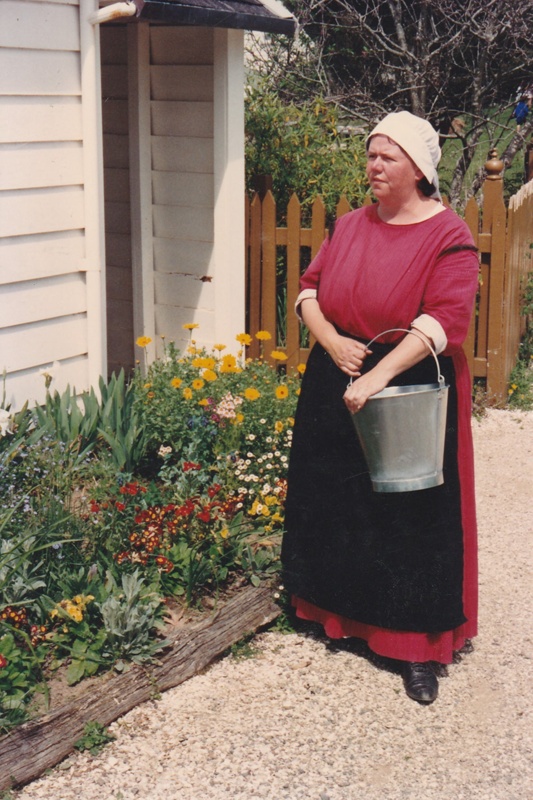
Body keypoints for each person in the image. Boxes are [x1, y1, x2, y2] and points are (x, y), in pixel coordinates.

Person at [281, 110, 479, 704]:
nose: (373, 166)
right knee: (335, 501)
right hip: (337, 369)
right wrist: (331, 342)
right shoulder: (348, 225)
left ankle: (415, 647)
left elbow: (443, 321)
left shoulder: (449, 235)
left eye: (386, 157)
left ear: (417, 169)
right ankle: (334, 612)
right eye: (370, 155)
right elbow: (308, 292)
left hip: (407, 383)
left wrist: (376, 378)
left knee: (409, 516)